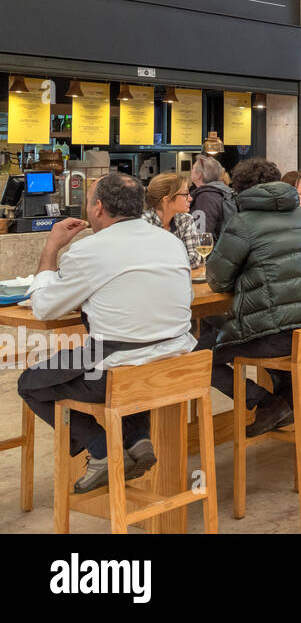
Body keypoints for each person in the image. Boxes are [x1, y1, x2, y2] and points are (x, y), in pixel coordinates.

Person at [18, 174, 194, 492]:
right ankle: (138, 439)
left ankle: (101, 451)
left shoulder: (89, 250)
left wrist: (52, 247)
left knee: (31, 383)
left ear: (98, 207)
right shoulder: (171, 243)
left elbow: (44, 307)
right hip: (175, 365)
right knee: (131, 356)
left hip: (118, 372)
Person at [200, 159, 301, 436]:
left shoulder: (243, 222)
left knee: (197, 356)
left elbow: (217, 279)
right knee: (250, 326)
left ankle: (266, 403)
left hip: (279, 334)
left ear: (240, 189)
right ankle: (282, 404)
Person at [144, 173, 203, 268]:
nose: (190, 198)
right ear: (166, 200)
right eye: (185, 194)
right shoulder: (143, 223)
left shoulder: (185, 219)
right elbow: (144, 263)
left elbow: (195, 258)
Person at [189, 153, 236, 240]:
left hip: (211, 251)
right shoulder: (225, 191)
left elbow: (202, 234)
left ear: (199, 174)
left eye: (192, 168)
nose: (190, 171)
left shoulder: (205, 197)